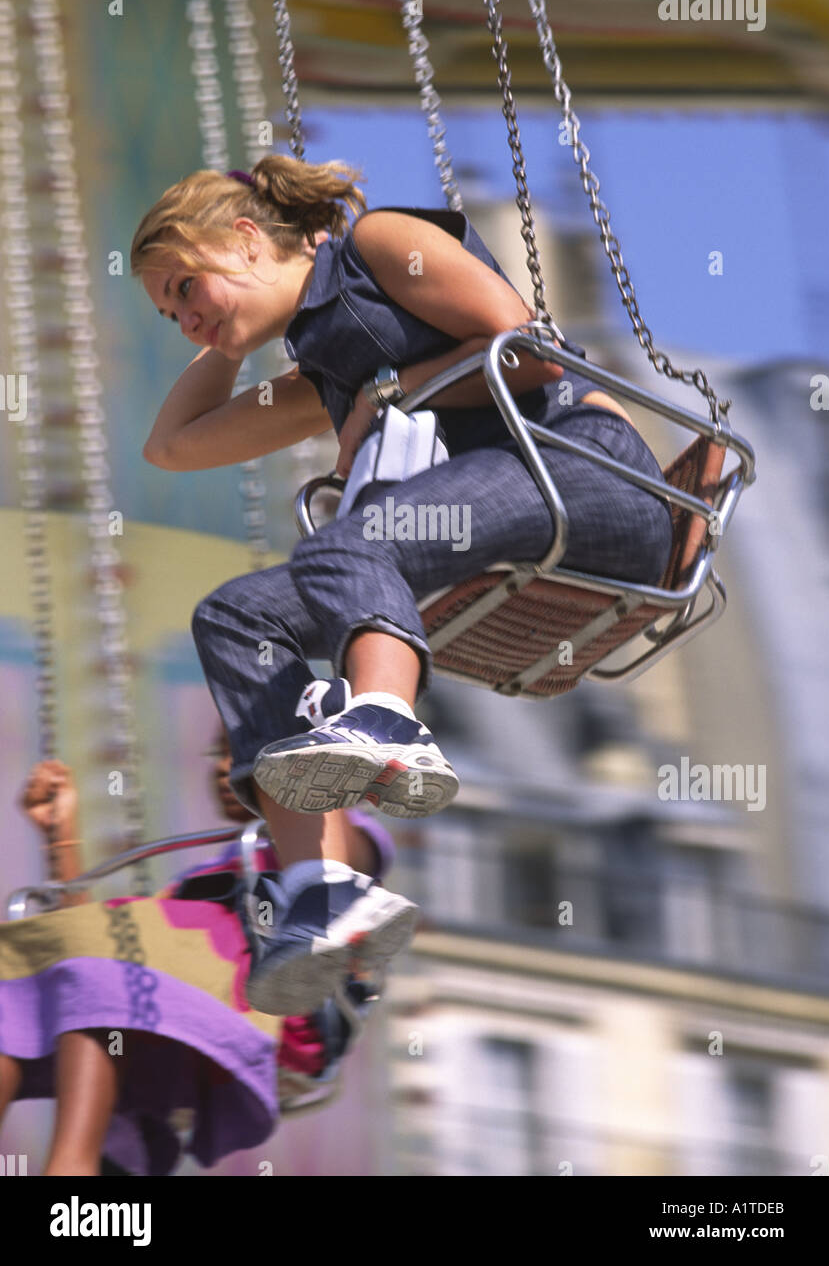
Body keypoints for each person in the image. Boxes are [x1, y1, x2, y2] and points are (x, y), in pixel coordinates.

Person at [130, 155, 674, 1018]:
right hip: (488, 520)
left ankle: (385, 726)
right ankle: (322, 887)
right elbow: (174, 446)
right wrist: (226, 335)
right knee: (236, 617)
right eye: (170, 311)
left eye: (187, 287)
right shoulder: (318, 372)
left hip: (586, 481)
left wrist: (386, 394)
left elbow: (527, 348)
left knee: (344, 546)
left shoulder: (378, 246)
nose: (186, 318)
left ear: (243, 238)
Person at [0, 726, 394, 1175]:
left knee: (107, 969)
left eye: (243, 750)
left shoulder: (342, 836)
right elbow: (80, 949)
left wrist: (309, 763)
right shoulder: (200, 879)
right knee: (15, 974)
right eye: (218, 754)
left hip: (275, 1002)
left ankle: (72, 1168)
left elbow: (338, 860)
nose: (225, 767)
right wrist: (59, 834)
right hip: (177, 1002)